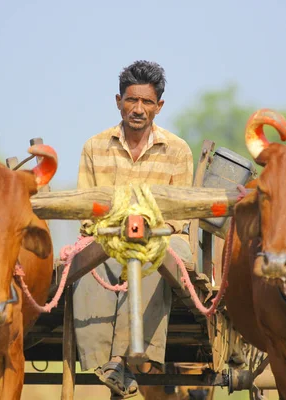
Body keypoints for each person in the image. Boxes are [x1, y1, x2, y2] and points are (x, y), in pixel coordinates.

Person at [72, 60, 194, 399]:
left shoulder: (177, 150)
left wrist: (149, 232)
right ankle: (101, 362)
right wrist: (116, 232)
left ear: (159, 107)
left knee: (152, 259)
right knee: (82, 264)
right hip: (107, 239)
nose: (137, 109)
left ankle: (122, 360)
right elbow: (86, 212)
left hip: (163, 239)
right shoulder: (94, 148)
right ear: (118, 101)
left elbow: (183, 215)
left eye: (146, 102)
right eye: (131, 100)